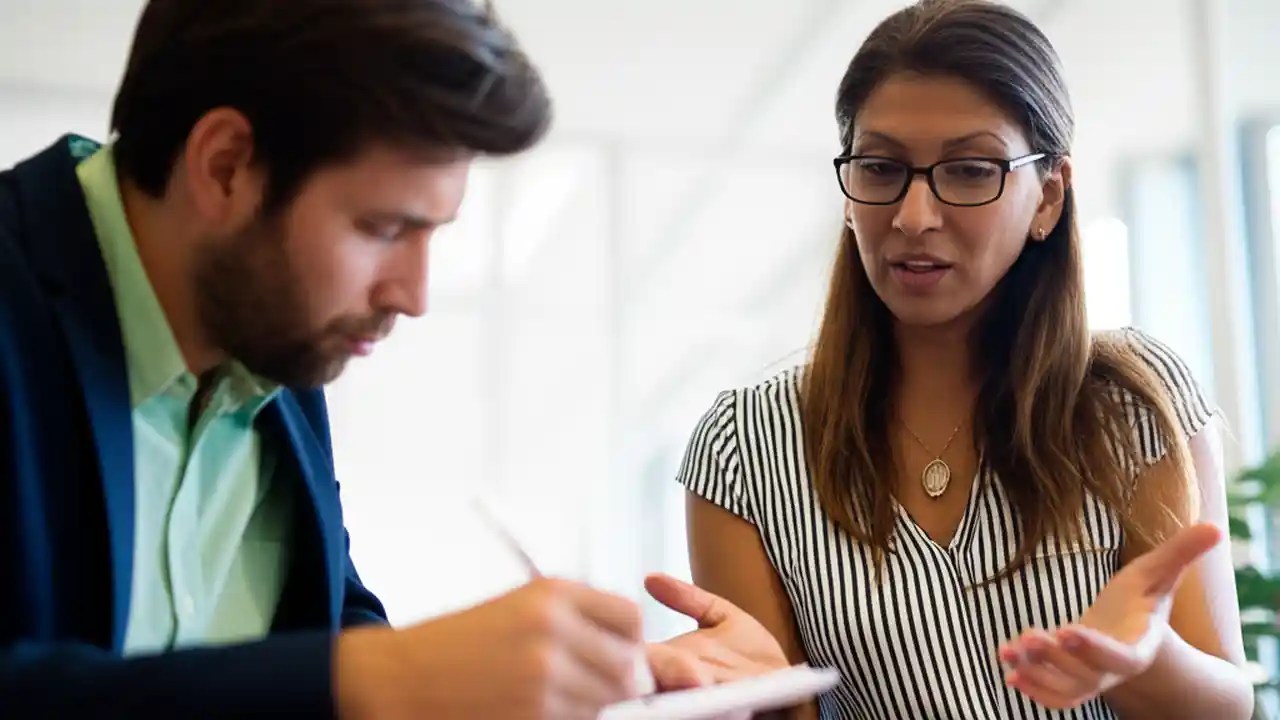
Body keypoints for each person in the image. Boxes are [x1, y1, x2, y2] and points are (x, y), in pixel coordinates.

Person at [0, 1, 788, 717]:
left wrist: (592, 687)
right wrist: (392, 678)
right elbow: (348, 677)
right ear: (226, 165)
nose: (413, 295)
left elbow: (334, 641)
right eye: (383, 228)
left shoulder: (272, 339)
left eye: (432, 234)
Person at [676, 1, 1254, 718]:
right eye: (881, 168)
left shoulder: (1130, 401)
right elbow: (776, 702)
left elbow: (1226, 705)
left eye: (971, 170)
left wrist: (1146, 659)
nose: (913, 216)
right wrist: (756, 703)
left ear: (1048, 196)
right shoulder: (744, 449)